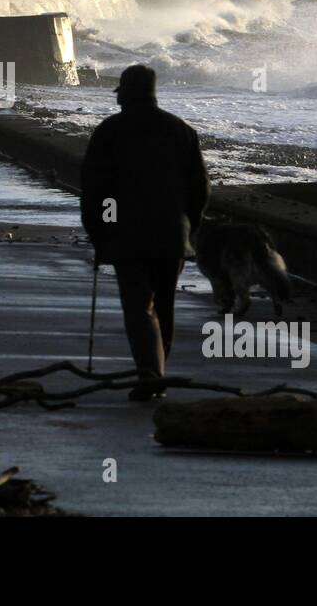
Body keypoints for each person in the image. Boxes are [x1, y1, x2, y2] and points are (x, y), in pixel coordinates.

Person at [79, 64, 209, 400]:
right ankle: (154, 373)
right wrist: (189, 227)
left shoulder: (110, 131)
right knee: (163, 305)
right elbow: (200, 189)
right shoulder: (182, 130)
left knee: (138, 307)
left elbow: (95, 191)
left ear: (124, 93)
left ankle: (150, 374)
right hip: (172, 235)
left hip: (127, 235)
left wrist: (99, 234)